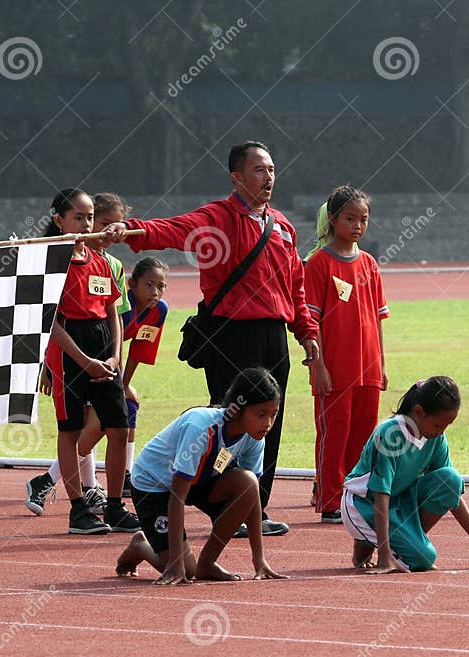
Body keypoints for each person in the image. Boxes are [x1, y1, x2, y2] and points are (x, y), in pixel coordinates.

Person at [103, 141, 320, 536]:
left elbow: (296, 287)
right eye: (258, 170)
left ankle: (256, 506)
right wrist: (130, 231)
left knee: (268, 422)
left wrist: (305, 332)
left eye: (271, 169)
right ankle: (224, 506)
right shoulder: (217, 218)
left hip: (274, 337)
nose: (268, 177)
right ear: (237, 177)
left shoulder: (284, 227)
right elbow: (172, 229)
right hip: (231, 336)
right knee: (229, 424)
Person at [116, 367, 287, 584]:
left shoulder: (255, 438)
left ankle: (207, 563)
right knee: (185, 571)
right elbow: (176, 496)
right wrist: (175, 564)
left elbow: (253, 500)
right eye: (261, 414)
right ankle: (141, 545)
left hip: (199, 480)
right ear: (238, 409)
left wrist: (259, 560)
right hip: (156, 484)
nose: (268, 423)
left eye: (273, 414)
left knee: (248, 483)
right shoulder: (200, 428)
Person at [42, 188, 138, 534]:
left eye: (89, 218)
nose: (86, 225)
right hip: (70, 353)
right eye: (78, 218)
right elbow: (49, 321)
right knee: (69, 429)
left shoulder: (100, 262)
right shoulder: (52, 264)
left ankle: (114, 506)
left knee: (118, 426)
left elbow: (113, 311)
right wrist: (83, 361)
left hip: (103, 349)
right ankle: (78, 509)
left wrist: (114, 355)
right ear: (59, 221)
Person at [341, 377, 469, 573]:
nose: (441, 432)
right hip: (364, 504)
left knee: (451, 478)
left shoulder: (434, 437)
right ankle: (372, 543)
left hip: (401, 499)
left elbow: (450, 490)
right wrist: (384, 556)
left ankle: (401, 543)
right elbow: (380, 494)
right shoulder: (390, 435)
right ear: (419, 412)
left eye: (447, 426)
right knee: (423, 559)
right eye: (438, 425)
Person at [305, 185, 389, 523]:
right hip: (335, 370)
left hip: (367, 369)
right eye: (350, 218)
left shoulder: (369, 264)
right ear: (333, 219)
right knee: (333, 436)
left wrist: (380, 365)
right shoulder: (318, 263)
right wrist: (318, 366)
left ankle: (354, 500)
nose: (357, 225)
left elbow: (378, 319)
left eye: (363, 219)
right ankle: (329, 502)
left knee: (364, 439)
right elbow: (310, 322)